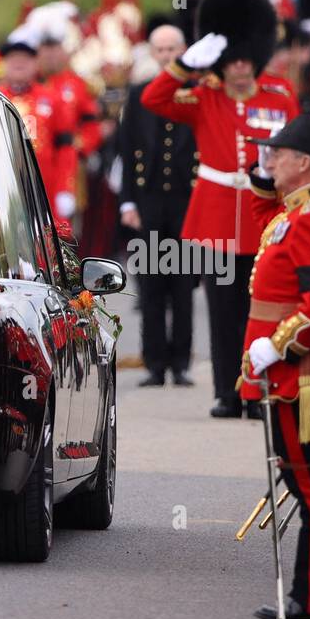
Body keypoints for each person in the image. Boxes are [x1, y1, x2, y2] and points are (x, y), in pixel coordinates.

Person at [141, 0, 299, 418]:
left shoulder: (279, 96)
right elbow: (152, 99)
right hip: (216, 216)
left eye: (247, 60)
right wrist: (183, 66)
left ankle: (260, 391)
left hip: (265, 213)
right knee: (223, 310)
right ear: (223, 62)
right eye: (233, 61)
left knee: (264, 309)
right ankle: (227, 393)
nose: (241, 69)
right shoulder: (203, 94)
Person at [238, 112, 310, 619]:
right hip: (289, 372)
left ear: (303, 161)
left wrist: (279, 345)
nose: (270, 161)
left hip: (299, 375)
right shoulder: (298, 210)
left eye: (278, 154)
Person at [117, 25, 199, 387]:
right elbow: (126, 147)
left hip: (187, 199)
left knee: (183, 282)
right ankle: (154, 362)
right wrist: (128, 201)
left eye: (172, 49)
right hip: (149, 199)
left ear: (184, 51)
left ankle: (181, 361)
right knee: (150, 283)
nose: (167, 56)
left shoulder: (196, 92)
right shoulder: (139, 95)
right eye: (160, 50)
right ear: (152, 53)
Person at [0, 33, 78, 224]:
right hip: (3, 186)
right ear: (4, 63)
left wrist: (66, 188)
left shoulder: (52, 98)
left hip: (45, 189)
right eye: (13, 57)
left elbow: (66, 147)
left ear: (35, 63)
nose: (19, 63)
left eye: (25, 58)